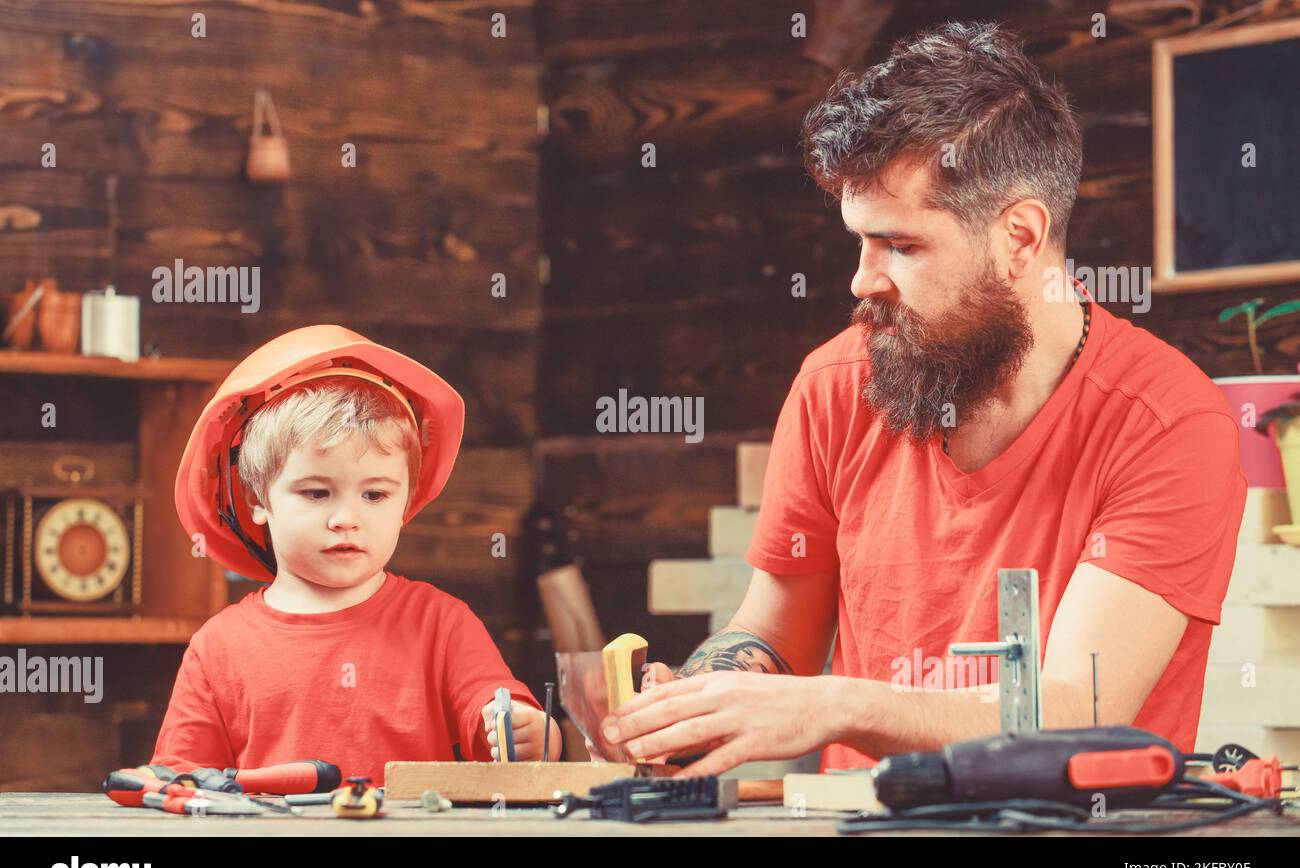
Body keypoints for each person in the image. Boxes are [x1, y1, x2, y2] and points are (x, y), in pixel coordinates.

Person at [600, 21, 1247, 776]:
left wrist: (840, 705)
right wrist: (702, 698)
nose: (862, 279)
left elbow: (1074, 709)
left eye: (901, 246)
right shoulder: (836, 385)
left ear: (1019, 239)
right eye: (859, 241)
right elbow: (775, 636)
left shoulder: (1170, 420)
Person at [153, 325, 558, 784]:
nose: (346, 518)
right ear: (257, 501)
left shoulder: (441, 623)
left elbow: (498, 719)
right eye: (317, 492)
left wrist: (527, 732)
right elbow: (177, 782)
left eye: (374, 496)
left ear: (405, 501)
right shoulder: (217, 647)